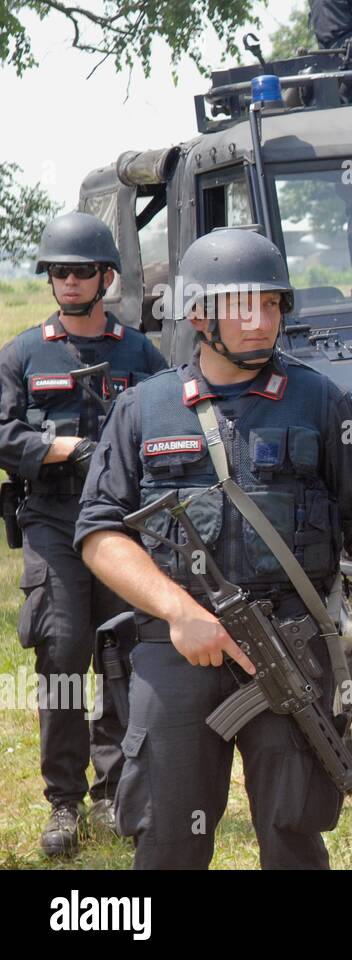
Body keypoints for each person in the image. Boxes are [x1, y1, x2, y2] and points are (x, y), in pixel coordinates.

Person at [75, 228, 352, 869]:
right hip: (179, 651)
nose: (264, 320)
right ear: (199, 313)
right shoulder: (147, 408)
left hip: (290, 645)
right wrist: (178, 611)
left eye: (274, 304)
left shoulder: (320, 401)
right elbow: (100, 533)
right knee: (168, 839)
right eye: (244, 304)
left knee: (292, 833)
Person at [0, 212, 167, 857]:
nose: (67, 282)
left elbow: (168, 415)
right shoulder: (22, 353)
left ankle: (117, 788)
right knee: (63, 652)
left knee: (125, 655)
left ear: (105, 277)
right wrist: (55, 447)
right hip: (52, 522)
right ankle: (64, 802)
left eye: (79, 271)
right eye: (57, 271)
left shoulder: (138, 352)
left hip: (123, 526)